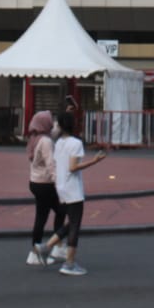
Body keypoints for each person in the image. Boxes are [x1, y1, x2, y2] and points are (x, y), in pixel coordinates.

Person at [38, 111, 107, 276]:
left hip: (61, 186)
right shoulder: (76, 143)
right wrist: (95, 161)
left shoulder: (59, 143)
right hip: (73, 187)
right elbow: (73, 167)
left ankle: (47, 247)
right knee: (75, 225)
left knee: (72, 222)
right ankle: (69, 263)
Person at [25, 111, 68, 266]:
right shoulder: (46, 142)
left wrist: (66, 113)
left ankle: (45, 249)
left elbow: (53, 133)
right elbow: (51, 165)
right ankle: (47, 248)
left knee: (43, 216)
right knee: (60, 211)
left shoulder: (35, 137)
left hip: (35, 182)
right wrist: (60, 185)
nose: (52, 124)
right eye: (50, 121)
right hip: (46, 183)